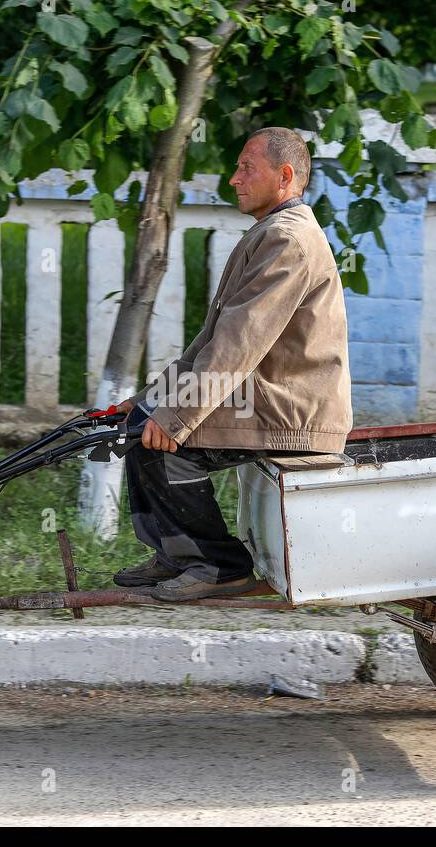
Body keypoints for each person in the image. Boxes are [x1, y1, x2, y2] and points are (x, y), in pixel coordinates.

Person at [113, 126, 353, 601]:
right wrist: (149, 399)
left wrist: (177, 416)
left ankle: (218, 566)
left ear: (284, 176)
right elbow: (211, 342)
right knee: (141, 424)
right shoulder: (272, 232)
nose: (233, 178)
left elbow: (239, 343)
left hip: (290, 408)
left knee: (161, 442)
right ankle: (176, 553)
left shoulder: (289, 241)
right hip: (267, 395)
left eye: (247, 167)